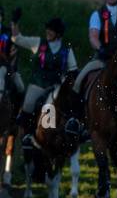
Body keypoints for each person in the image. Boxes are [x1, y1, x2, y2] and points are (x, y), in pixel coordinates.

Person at [11, 16, 81, 150]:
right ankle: (27, 135)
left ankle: (76, 130)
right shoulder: (38, 42)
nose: (48, 32)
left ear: (58, 34)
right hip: (38, 84)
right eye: (48, 29)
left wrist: (67, 82)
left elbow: (73, 70)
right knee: (28, 104)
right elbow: (17, 39)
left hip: (56, 86)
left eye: (51, 30)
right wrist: (14, 23)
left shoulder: (67, 50)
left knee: (70, 105)